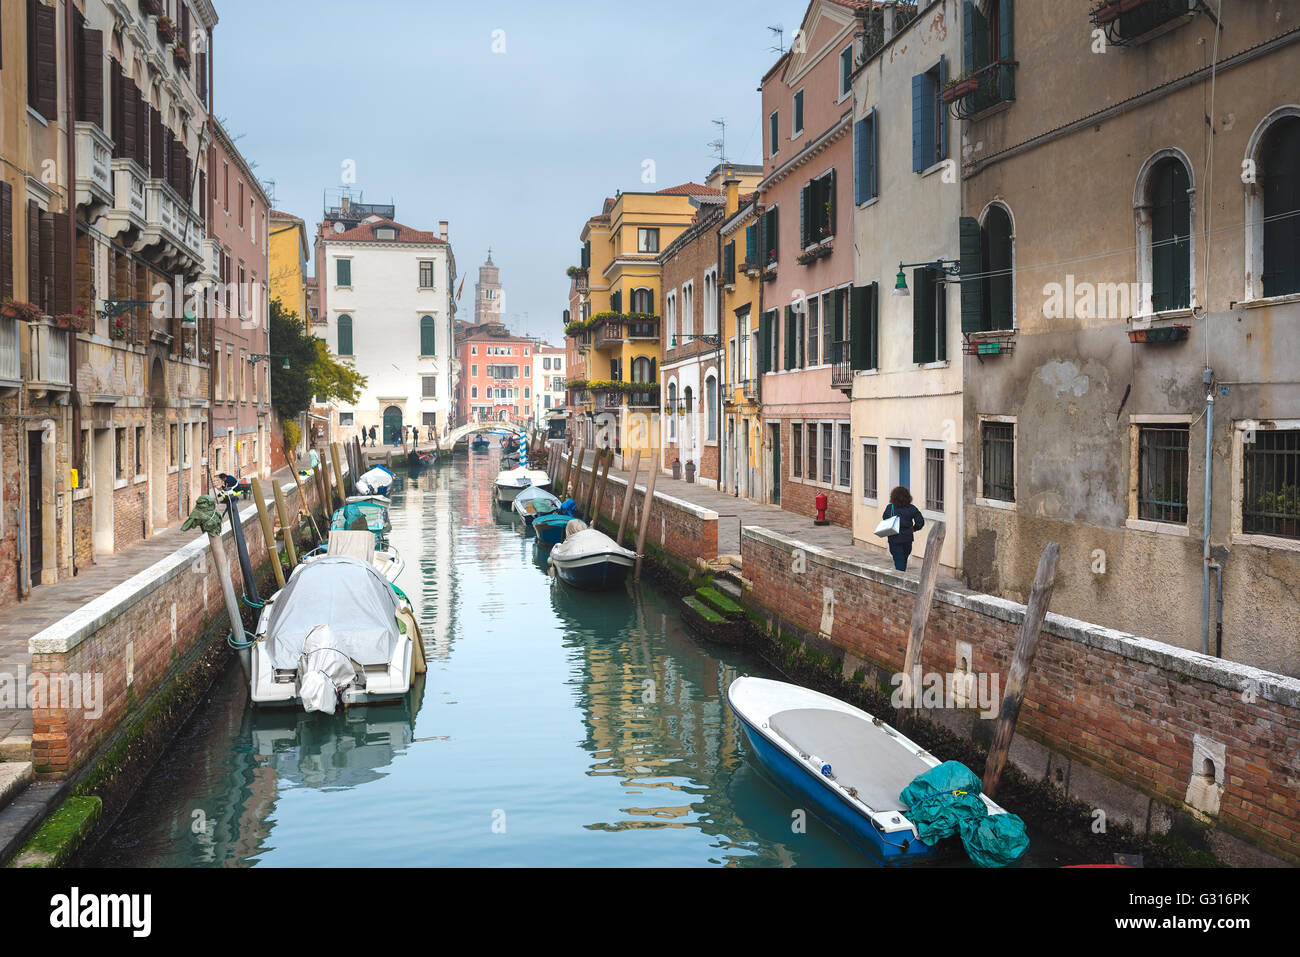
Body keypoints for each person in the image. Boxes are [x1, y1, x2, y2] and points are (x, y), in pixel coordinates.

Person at [882, 486, 925, 572]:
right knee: (904, 559)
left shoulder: (890, 508)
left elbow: (885, 519)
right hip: (907, 538)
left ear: (893, 497)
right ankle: (902, 576)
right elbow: (920, 522)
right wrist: (914, 528)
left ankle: (900, 579)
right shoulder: (912, 508)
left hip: (894, 537)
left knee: (899, 560)